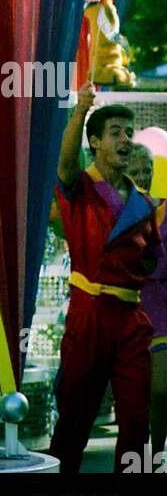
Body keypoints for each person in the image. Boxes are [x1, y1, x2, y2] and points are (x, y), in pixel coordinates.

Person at [49, 85, 160, 474]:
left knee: (136, 421)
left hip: (130, 319)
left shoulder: (145, 205)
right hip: (89, 313)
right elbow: (64, 161)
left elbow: (151, 263)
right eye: (115, 131)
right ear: (94, 142)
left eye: (129, 132)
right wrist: (80, 110)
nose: (126, 139)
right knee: (75, 416)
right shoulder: (79, 189)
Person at [127, 142, 167, 457]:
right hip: (129, 302)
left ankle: (156, 451)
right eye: (136, 171)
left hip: (162, 303)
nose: (143, 176)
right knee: (137, 391)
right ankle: (139, 453)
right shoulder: (118, 212)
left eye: (147, 171)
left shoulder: (163, 207)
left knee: (160, 388)